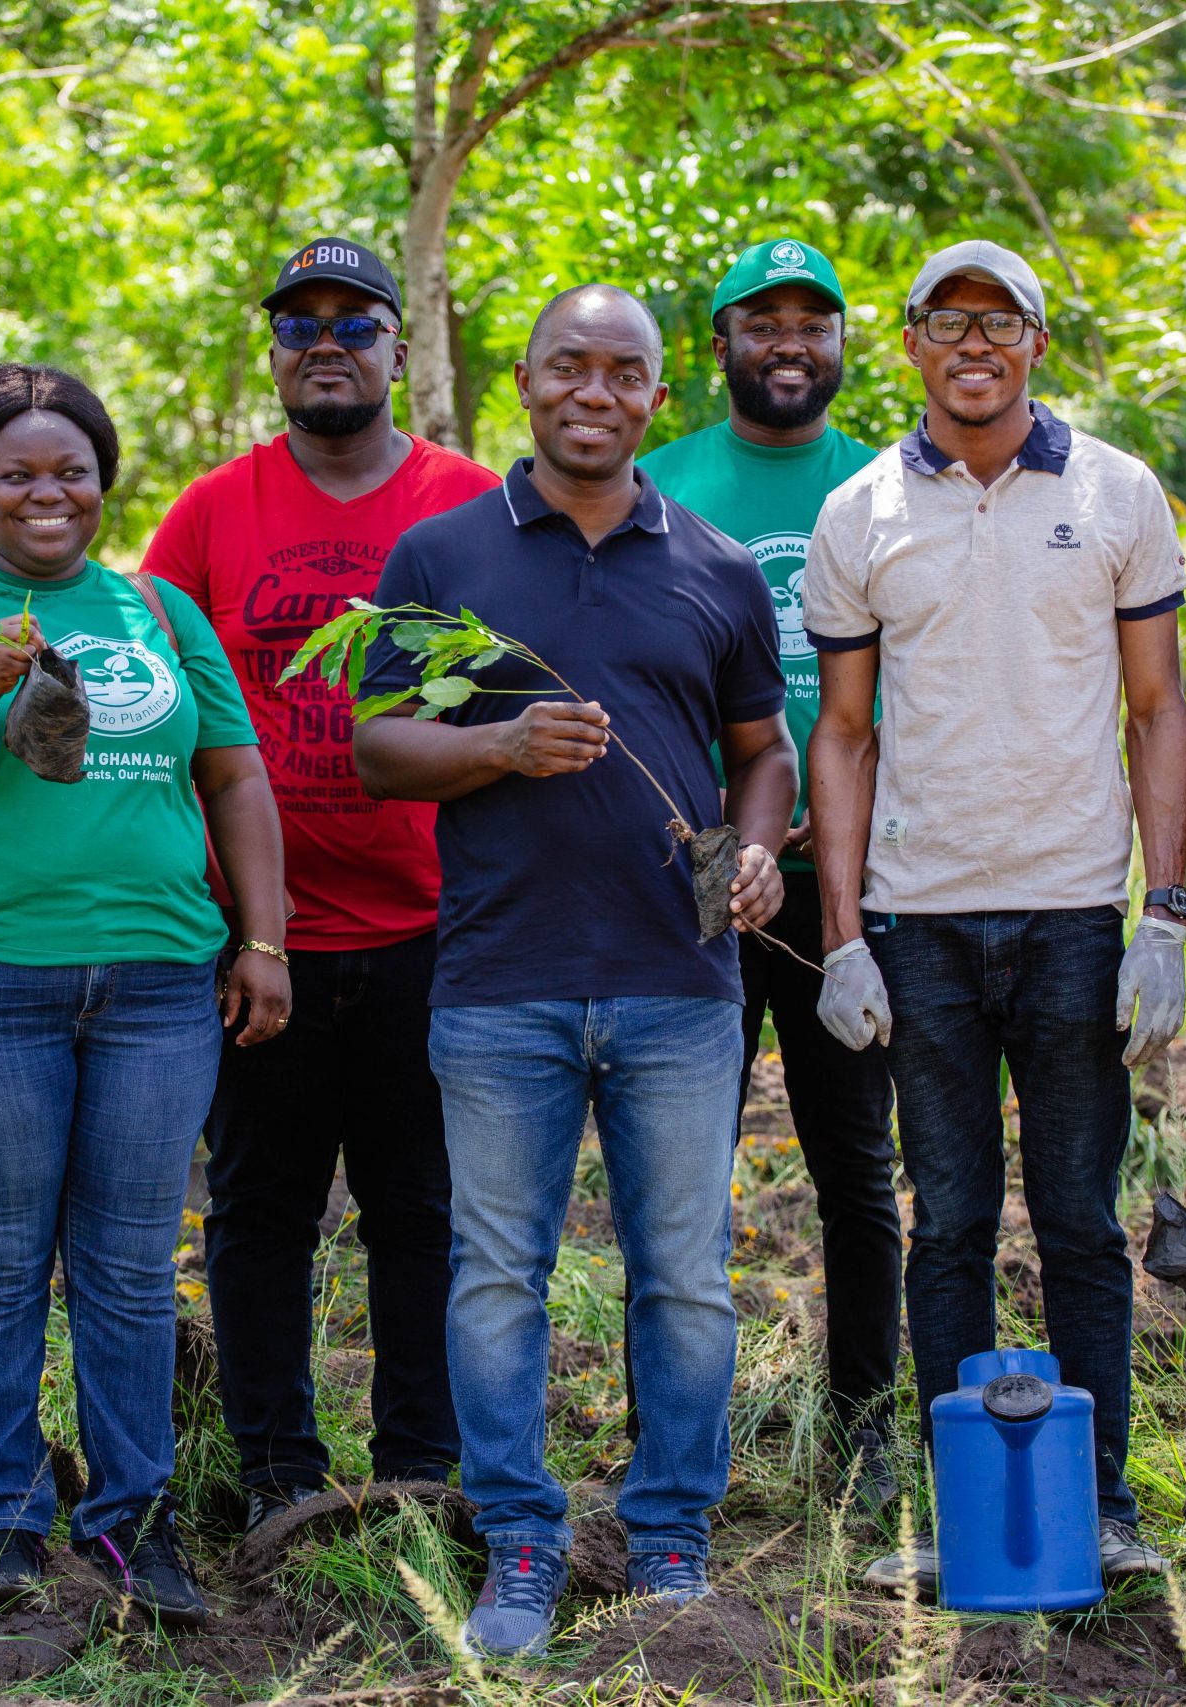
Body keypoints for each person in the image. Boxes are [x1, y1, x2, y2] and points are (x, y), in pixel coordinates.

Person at [354, 284, 797, 1658]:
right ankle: (522, 1539)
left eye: (621, 371)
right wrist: (498, 746)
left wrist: (761, 848)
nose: (592, 390)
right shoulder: (442, 554)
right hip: (501, 981)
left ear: (657, 397)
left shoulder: (715, 566)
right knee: (498, 1273)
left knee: (684, 1273)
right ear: (528, 386)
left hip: (680, 979)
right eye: (567, 368)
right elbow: (378, 743)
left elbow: (763, 749)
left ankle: (670, 1527)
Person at [0, 363, 289, 1628]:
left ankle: (134, 1522)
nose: (48, 494)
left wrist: (261, 938)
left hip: (158, 988)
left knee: (128, 1264)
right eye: (16, 475)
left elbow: (234, 779)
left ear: (103, 482)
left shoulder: (159, 609)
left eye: (71, 472)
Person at [804, 241, 1186, 1592]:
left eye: (1001, 319)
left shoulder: (1117, 490)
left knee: (1081, 1216)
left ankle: (1104, 1499)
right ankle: (954, 1497)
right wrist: (845, 931)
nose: (973, 340)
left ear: (1038, 339)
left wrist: (1167, 912)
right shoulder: (862, 511)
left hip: (1080, 910)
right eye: (945, 319)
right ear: (910, 341)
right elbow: (842, 735)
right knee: (950, 1217)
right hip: (927, 921)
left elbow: (1158, 709)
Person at [140, 237, 495, 1528]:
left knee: (423, 1207)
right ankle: (274, 1470)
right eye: (300, 327)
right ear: (276, 355)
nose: (326, 343)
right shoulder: (210, 514)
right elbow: (148, 708)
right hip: (262, 938)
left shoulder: (469, 505)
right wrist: (225, 920)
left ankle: (418, 1464)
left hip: (436, 929)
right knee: (258, 1208)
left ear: (403, 345)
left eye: (355, 322)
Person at [638, 236, 901, 1509]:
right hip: (693, 860)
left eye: (814, 319)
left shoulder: (892, 484)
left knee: (855, 1160)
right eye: (761, 321)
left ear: (843, 342)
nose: (788, 341)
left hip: (854, 870)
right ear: (720, 342)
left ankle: (864, 1425)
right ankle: (672, 1431)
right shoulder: (661, 480)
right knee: (680, 1160)